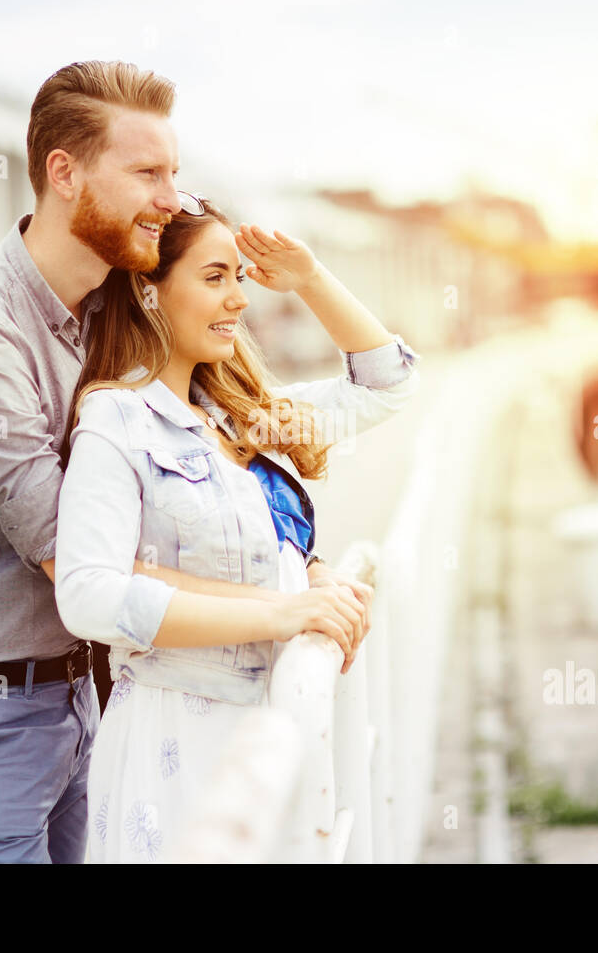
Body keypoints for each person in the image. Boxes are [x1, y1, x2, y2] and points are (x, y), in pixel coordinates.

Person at [0, 61, 351, 863]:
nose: (172, 197)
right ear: (63, 174)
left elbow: (234, 449)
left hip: (80, 687)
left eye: (173, 170)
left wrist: (302, 566)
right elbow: (85, 567)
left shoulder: (115, 302)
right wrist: (281, 605)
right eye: (147, 172)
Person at [53, 193, 420, 862]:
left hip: (278, 733)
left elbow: (387, 383)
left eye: (239, 278)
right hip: (177, 756)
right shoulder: (117, 421)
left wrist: (310, 278)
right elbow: (88, 595)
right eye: (215, 277)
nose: (239, 301)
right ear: (150, 291)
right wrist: (284, 612)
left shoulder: (237, 415)